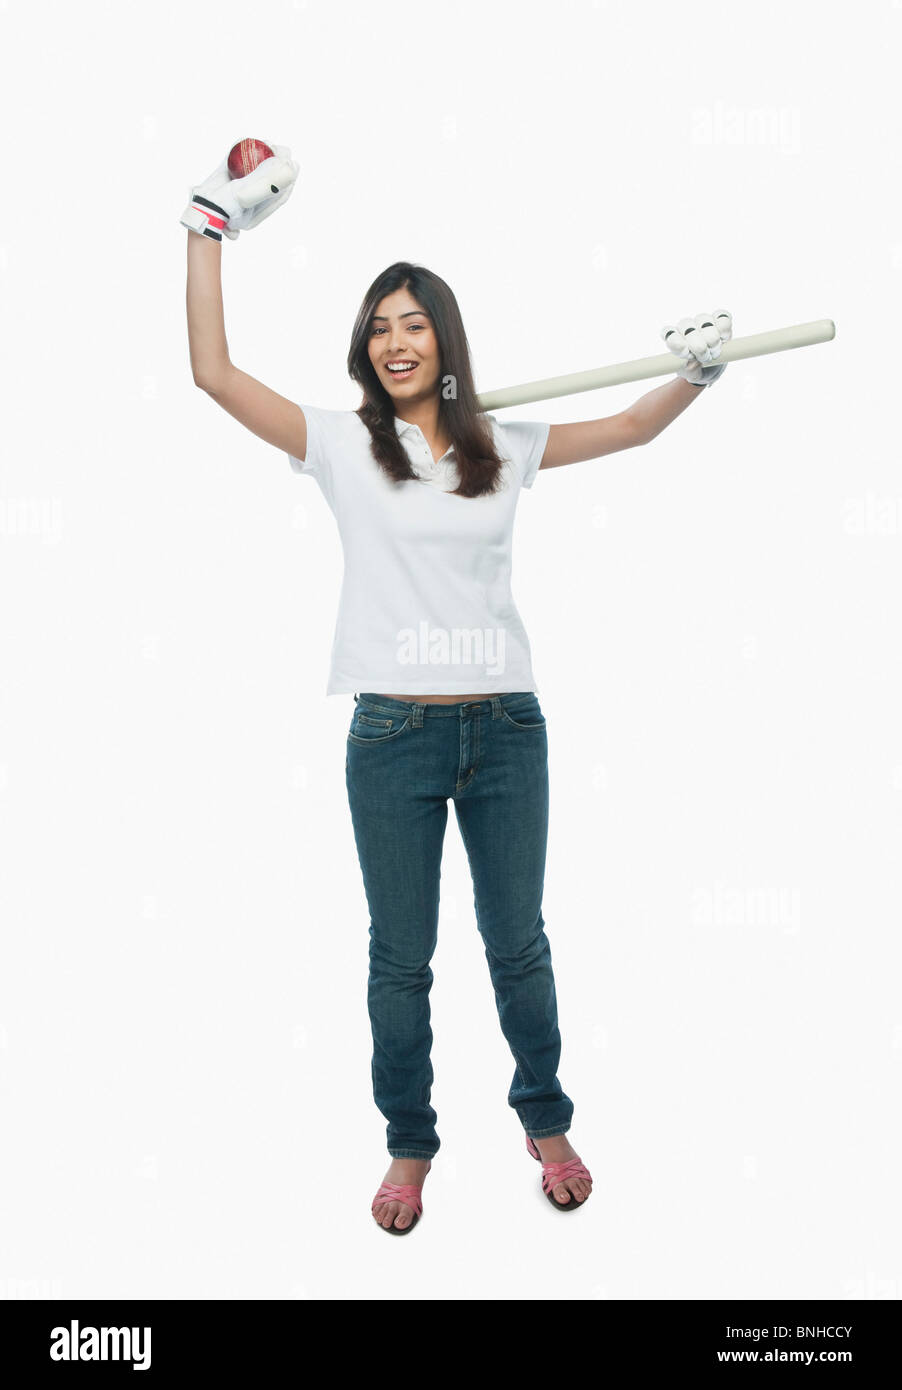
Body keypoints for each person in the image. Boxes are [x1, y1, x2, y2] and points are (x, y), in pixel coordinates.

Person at [182, 147, 731, 1235]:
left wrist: (695, 373)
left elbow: (626, 429)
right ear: (364, 349)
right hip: (389, 734)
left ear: (443, 342)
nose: (394, 340)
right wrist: (208, 230)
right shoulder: (340, 445)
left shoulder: (502, 441)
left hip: (506, 729)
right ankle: (408, 1138)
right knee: (400, 957)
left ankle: (544, 1114)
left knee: (516, 940)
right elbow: (213, 372)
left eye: (412, 324)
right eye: (378, 326)